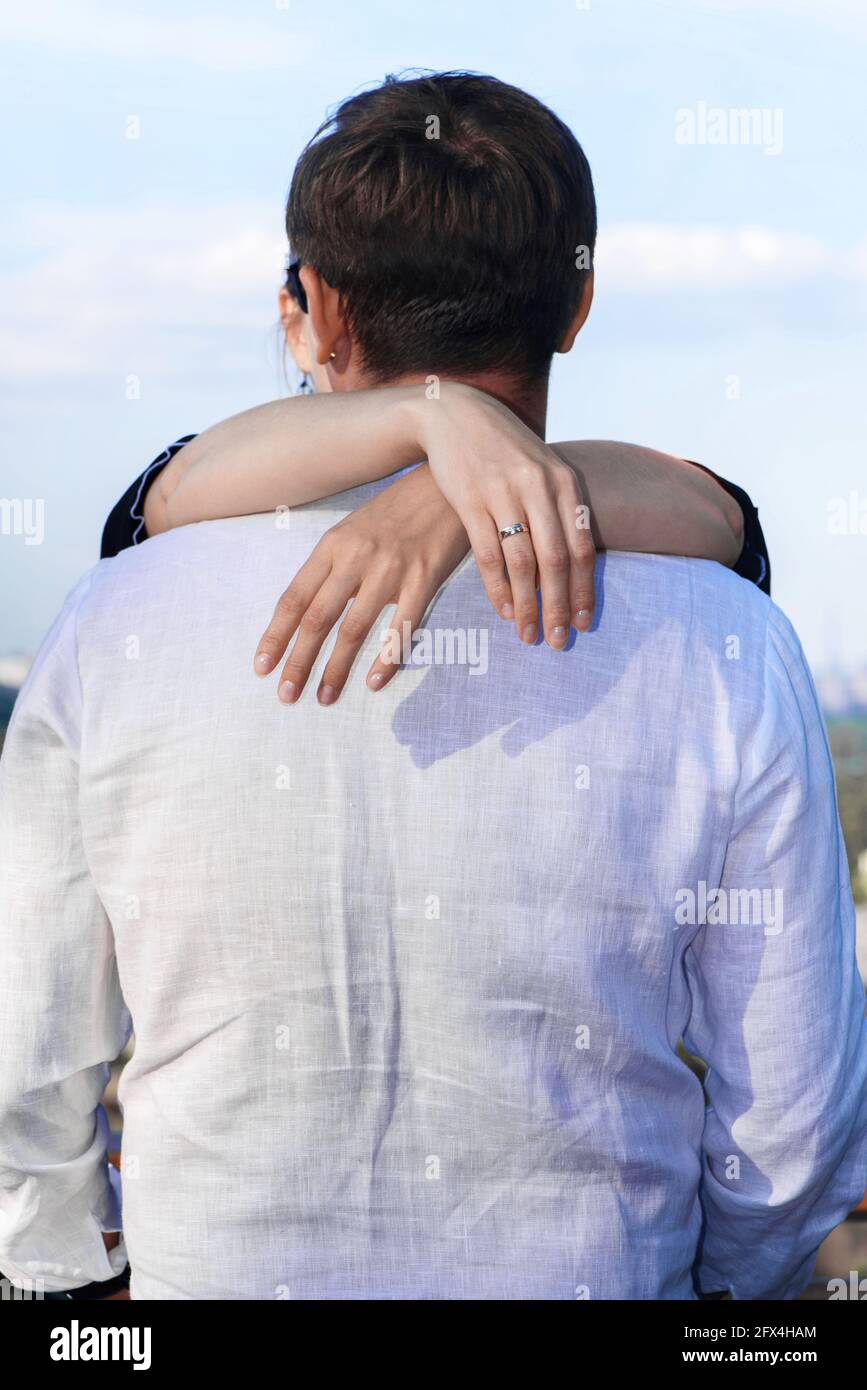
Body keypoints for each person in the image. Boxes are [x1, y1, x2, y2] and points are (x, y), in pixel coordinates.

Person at [0, 71, 864, 1301]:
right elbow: (796, 1116)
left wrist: (71, 1294)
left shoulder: (113, 624)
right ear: (579, 302)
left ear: (311, 313)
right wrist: (715, 1295)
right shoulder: (732, 639)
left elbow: (25, 1071)